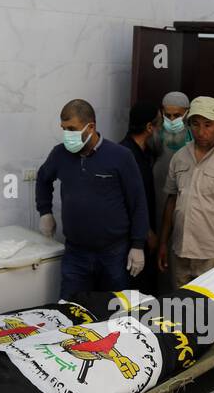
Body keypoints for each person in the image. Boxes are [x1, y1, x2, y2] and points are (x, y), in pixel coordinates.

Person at [36, 99, 149, 298]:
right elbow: (43, 178)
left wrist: (138, 245)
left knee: (115, 312)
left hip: (114, 253)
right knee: (70, 308)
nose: (67, 135)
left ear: (91, 127)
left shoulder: (120, 156)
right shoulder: (59, 154)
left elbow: (138, 202)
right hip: (75, 252)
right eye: (64, 129)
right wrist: (45, 212)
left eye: (72, 129)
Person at [158, 96, 214, 287]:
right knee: (181, 310)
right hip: (180, 251)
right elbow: (172, 201)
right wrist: (163, 243)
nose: (201, 132)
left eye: (208, 125)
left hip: (213, 256)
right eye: (196, 124)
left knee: (208, 313)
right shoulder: (180, 157)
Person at [120, 100, 162, 293]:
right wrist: (148, 233)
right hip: (132, 242)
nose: (161, 132)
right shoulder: (128, 156)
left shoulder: (143, 154)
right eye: (159, 125)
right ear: (149, 127)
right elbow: (132, 201)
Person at [151, 90, 193, 206]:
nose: (172, 119)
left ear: (187, 113)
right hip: (159, 195)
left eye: (177, 115)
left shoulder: (194, 137)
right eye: (168, 115)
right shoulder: (155, 136)